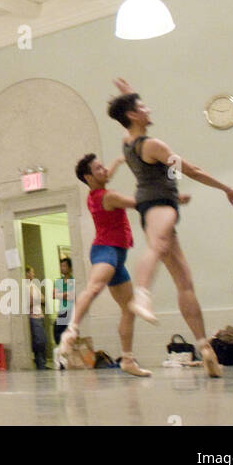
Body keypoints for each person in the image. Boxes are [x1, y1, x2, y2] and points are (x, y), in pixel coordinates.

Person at [106, 77, 233, 379]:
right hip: (157, 204)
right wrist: (228, 189)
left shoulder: (128, 141)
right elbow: (193, 171)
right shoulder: (152, 145)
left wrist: (127, 95)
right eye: (142, 107)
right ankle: (142, 295)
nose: (149, 109)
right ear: (134, 115)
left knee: (185, 282)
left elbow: (125, 124)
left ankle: (205, 347)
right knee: (158, 245)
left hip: (160, 201)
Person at [58, 154, 192, 377]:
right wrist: (175, 200)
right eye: (99, 168)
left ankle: (127, 359)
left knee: (129, 309)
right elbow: (139, 203)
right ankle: (71, 329)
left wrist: (118, 162)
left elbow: (106, 174)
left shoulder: (95, 192)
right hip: (105, 252)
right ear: (89, 177)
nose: (105, 171)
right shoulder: (107, 196)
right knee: (93, 288)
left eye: (103, 167)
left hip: (118, 256)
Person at [25, 267, 47, 370]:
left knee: (43, 340)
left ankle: (43, 361)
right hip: (33, 316)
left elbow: (43, 299)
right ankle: (40, 363)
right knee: (39, 341)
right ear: (27, 273)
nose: (33, 274)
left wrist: (37, 300)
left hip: (40, 315)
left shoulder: (34, 285)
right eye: (32, 272)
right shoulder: (25, 286)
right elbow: (29, 302)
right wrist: (37, 300)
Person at [53, 258, 74, 346]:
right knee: (58, 333)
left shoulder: (73, 281)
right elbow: (54, 295)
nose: (62, 268)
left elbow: (73, 295)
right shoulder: (58, 281)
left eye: (64, 266)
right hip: (62, 311)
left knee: (71, 334)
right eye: (61, 266)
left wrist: (61, 294)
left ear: (70, 268)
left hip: (72, 311)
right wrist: (65, 295)